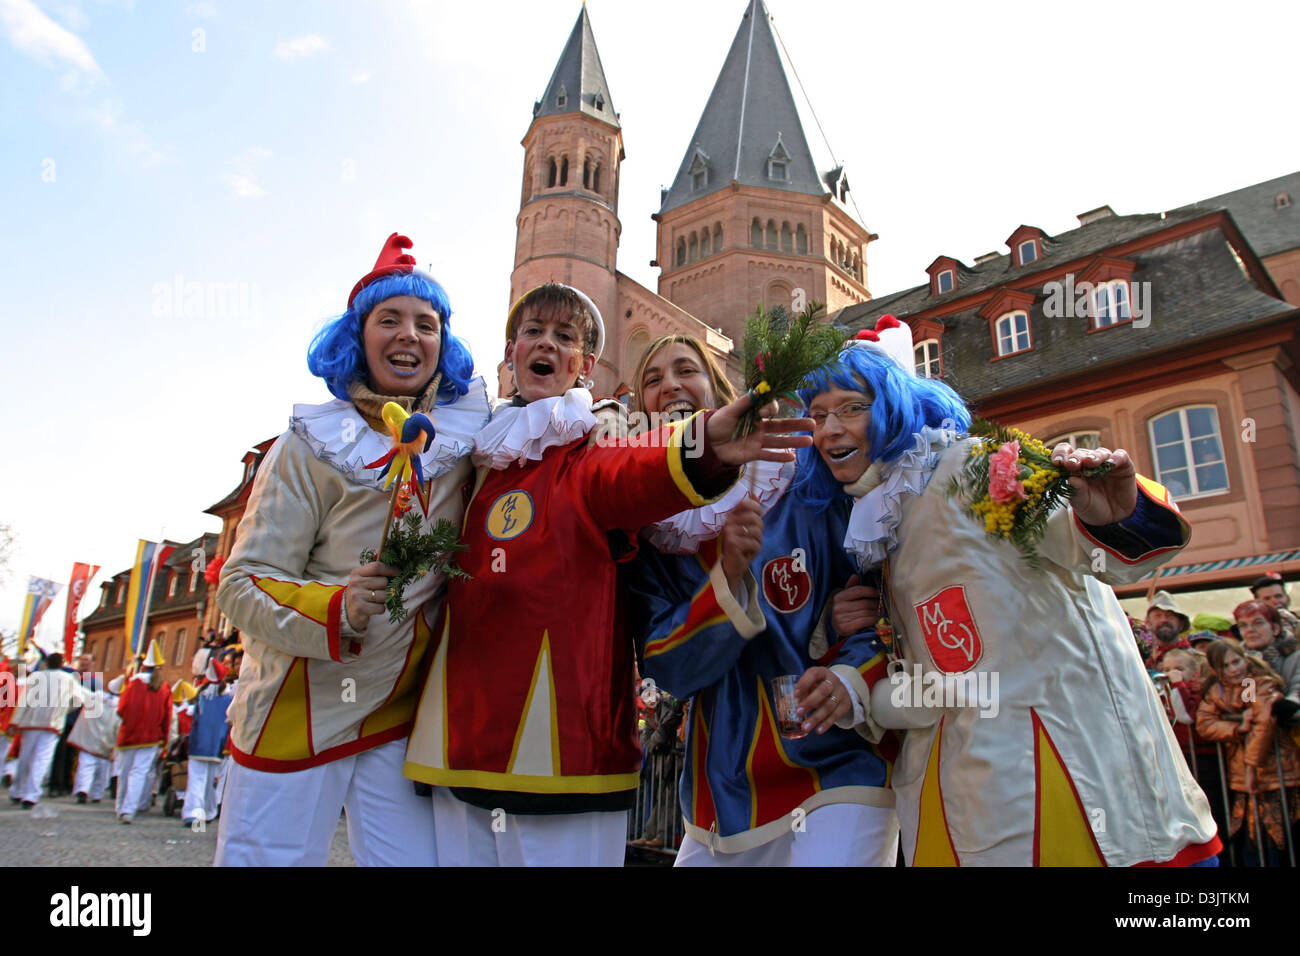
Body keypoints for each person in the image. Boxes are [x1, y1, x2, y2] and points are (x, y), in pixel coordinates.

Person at [403, 284, 812, 866]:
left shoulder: (587, 450)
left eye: (564, 337)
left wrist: (703, 447)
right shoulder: (473, 457)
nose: (545, 343)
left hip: (561, 750)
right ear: (511, 352)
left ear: (586, 367)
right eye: (533, 332)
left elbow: (630, 471)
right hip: (455, 736)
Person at [807, 321, 1219, 865]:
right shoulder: (875, 519)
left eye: (851, 407)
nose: (829, 428)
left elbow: (1098, 550)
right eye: (816, 415)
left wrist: (1112, 512)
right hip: (956, 792)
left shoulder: (973, 466)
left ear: (896, 406)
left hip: (1069, 786)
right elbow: (938, 685)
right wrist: (856, 669)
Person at [214, 233, 490, 866]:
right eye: (388, 319)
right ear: (357, 337)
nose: (409, 336)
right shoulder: (308, 447)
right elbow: (242, 582)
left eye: (427, 324)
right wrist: (335, 606)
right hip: (295, 705)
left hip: (399, 713)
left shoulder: (467, 437)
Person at [626, 333, 897, 866]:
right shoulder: (651, 530)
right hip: (723, 787)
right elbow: (666, 670)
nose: (670, 386)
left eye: (686, 369)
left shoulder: (801, 474)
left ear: (721, 390)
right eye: (652, 380)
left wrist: (851, 673)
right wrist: (728, 574)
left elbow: (883, 597)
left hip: (837, 762)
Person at [1196, 638, 1300, 866]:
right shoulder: (1216, 690)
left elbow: (1260, 723)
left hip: (1272, 770)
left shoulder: (1254, 684)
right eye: (1226, 665)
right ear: (1216, 670)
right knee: (1251, 842)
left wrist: (1252, 766)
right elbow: (1204, 723)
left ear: (1245, 659)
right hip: (1241, 776)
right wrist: (1235, 728)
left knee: (1279, 840)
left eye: (1237, 661)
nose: (1235, 669)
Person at [9, 653, 89, 808]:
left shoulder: (36, 677)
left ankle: (17, 791)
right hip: (52, 723)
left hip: (31, 721)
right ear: (62, 663)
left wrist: (15, 721)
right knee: (42, 759)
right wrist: (63, 711)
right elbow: (79, 700)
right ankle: (31, 795)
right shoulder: (68, 679)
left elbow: (23, 701)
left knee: (25, 757)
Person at [115, 642, 171, 823]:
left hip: (129, 735)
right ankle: (129, 810)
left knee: (124, 772)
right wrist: (164, 738)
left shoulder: (133, 683)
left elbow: (122, 708)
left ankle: (120, 806)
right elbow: (167, 716)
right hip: (151, 737)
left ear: (144, 665)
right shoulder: (164, 687)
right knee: (139, 773)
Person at [182, 658, 232, 828]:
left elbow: (191, 718)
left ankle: (193, 813)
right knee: (212, 781)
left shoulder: (200, 697)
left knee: (196, 779)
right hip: (218, 747)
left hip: (199, 744)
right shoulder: (228, 699)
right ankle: (209, 811)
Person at [1233, 599, 1300, 722]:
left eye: (1258, 623)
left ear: (1275, 628)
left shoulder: (1296, 656)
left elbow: (1297, 689)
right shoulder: (1237, 660)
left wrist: (1288, 705)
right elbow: (1244, 697)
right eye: (1243, 625)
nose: (1250, 630)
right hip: (1256, 734)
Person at [1146, 590, 1192, 668]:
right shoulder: (1141, 658)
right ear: (1149, 623)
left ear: (1181, 624)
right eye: (1158, 616)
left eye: (1170, 616)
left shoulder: (1194, 659)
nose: (1164, 620)